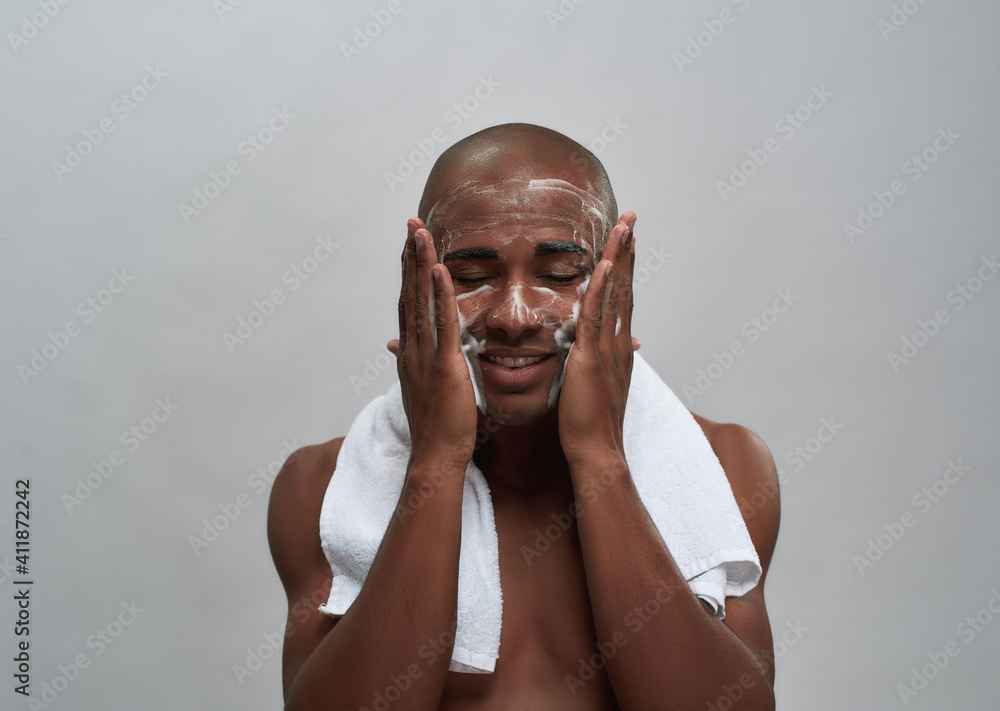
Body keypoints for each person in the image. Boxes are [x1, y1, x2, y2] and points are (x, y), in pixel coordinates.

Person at [267, 123, 781, 710]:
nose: (513, 316)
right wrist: (435, 461)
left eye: (558, 274)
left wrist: (599, 456)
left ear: (620, 282)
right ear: (415, 282)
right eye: (471, 276)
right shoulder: (318, 488)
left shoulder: (730, 468)